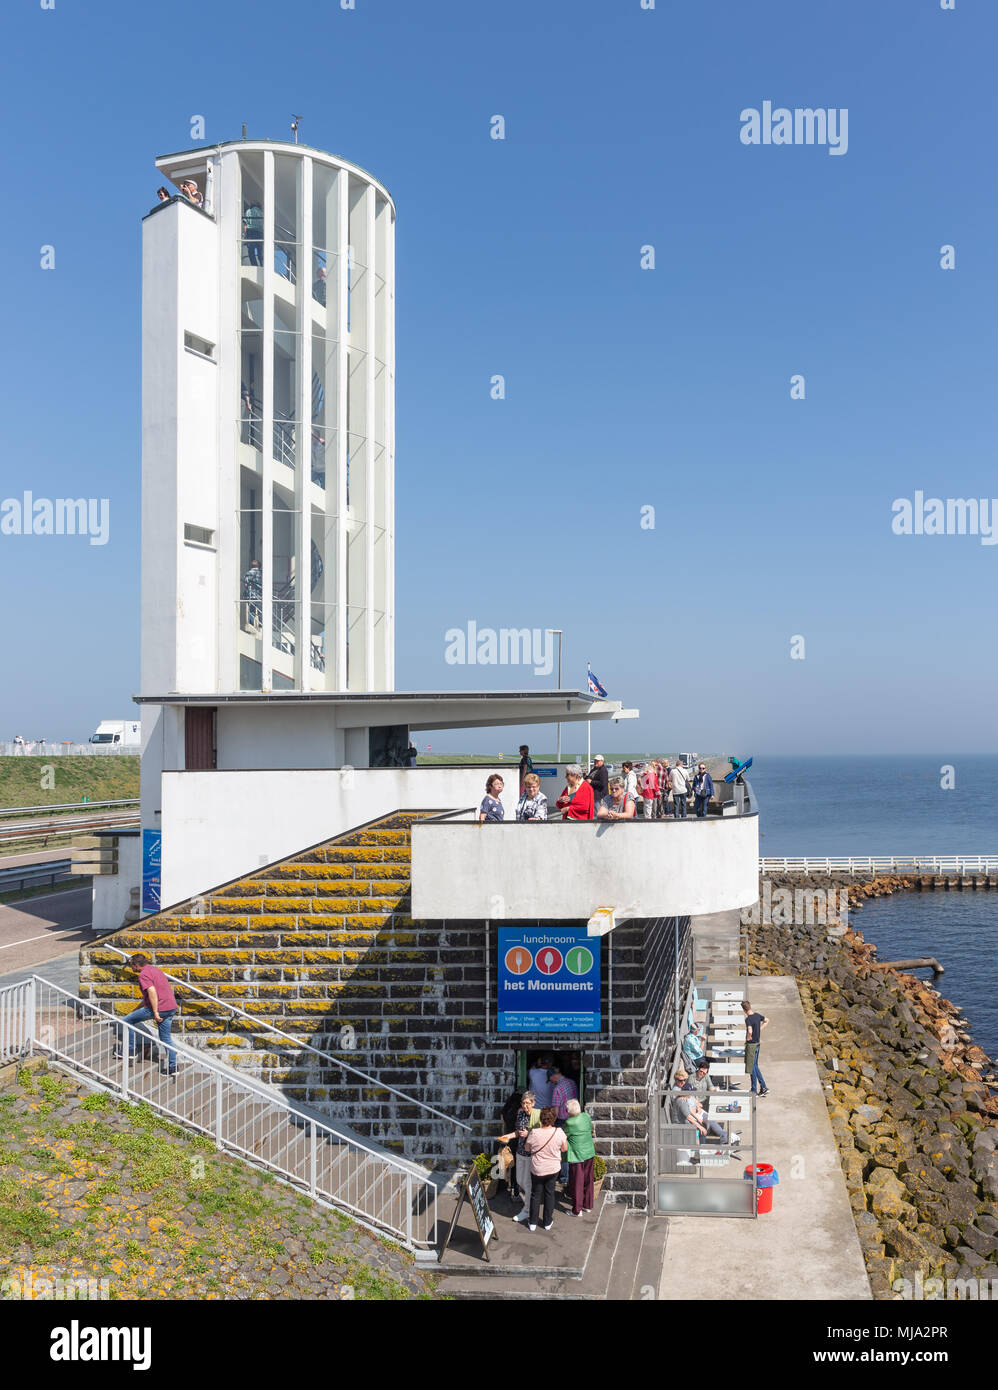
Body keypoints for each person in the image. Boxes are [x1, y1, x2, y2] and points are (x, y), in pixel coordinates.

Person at [117, 954, 180, 1077]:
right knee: (166, 1038)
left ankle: (130, 1050)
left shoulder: (143, 975)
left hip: (158, 1008)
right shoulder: (154, 970)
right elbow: (150, 996)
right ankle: (173, 1067)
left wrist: (155, 1012)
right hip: (170, 1007)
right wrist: (136, 1009)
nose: (131, 968)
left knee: (126, 1021)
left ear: (136, 965)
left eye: (131, 966)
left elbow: (152, 992)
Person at [525, 1107, 567, 1231]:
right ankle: (547, 1222)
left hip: (537, 1168)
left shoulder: (534, 1133)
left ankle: (532, 1222)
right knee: (549, 1194)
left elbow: (527, 1149)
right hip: (553, 1168)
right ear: (553, 1119)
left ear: (541, 1119)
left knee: (535, 1194)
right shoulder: (559, 1132)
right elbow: (564, 1149)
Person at [673, 1072, 740, 1148]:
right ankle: (702, 1148)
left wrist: (698, 1108)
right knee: (703, 1129)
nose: (683, 1082)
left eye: (685, 1080)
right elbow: (688, 1117)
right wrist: (700, 1125)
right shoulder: (681, 1100)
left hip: (690, 1117)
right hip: (683, 1123)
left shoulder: (684, 1097)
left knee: (708, 1120)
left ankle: (724, 1135)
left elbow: (692, 1107)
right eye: (681, 1080)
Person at [563, 1099, 596, 1216]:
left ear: (569, 1111)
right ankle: (587, 1205)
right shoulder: (586, 1117)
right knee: (588, 1179)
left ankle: (577, 1210)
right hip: (589, 1152)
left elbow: (564, 1135)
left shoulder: (569, 1123)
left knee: (577, 1182)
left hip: (577, 1155)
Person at [511, 1090, 539, 1221]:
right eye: (523, 1103)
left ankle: (527, 1210)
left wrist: (528, 1135)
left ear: (533, 1103)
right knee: (519, 1181)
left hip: (530, 1154)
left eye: (528, 1103)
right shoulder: (520, 1114)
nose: (525, 1105)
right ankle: (529, 1204)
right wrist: (507, 1136)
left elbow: (543, 1134)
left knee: (527, 1183)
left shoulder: (538, 1116)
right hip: (520, 1151)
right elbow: (518, 1132)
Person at [549, 1064, 577, 1182]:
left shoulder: (557, 1089)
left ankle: (565, 1177)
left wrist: (550, 1124)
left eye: (550, 1079)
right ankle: (573, 1174)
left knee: (563, 1150)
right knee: (572, 1147)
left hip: (562, 1121)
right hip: (574, 1118)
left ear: (553, 1076)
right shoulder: (571, 1082)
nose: (550, 1082)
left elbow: (555, 1110)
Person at [741, 1000, 770, 1096]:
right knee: (755, 1065)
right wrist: (760, 1029)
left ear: (744, 1010)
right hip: (758, 1044)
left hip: (751, 1045)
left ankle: (754, 1090)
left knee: (751, 1067)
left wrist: (748, 1037)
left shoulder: (748, 1019)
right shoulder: (757, 1015)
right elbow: (766, 1020)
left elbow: (749, 1030)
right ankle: (763, 1087)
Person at [241, 558, 262, 628]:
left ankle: (252, 624)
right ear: (259, 566)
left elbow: (245, 584)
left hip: (250, 595)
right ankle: (261, 624)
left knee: (251, 611)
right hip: (260, 595)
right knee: (261, 611)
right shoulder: (261, 573)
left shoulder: (248, 573)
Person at [243, 200, 264, 265]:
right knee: (260, 250)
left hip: (250, 232)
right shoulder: (261, 212)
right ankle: (262, 264)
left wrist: (245, 235)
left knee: (251, 251)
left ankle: (254, 264)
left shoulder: (248, 211)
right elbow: (263, 224)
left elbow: (245, 224)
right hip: (259, 232)